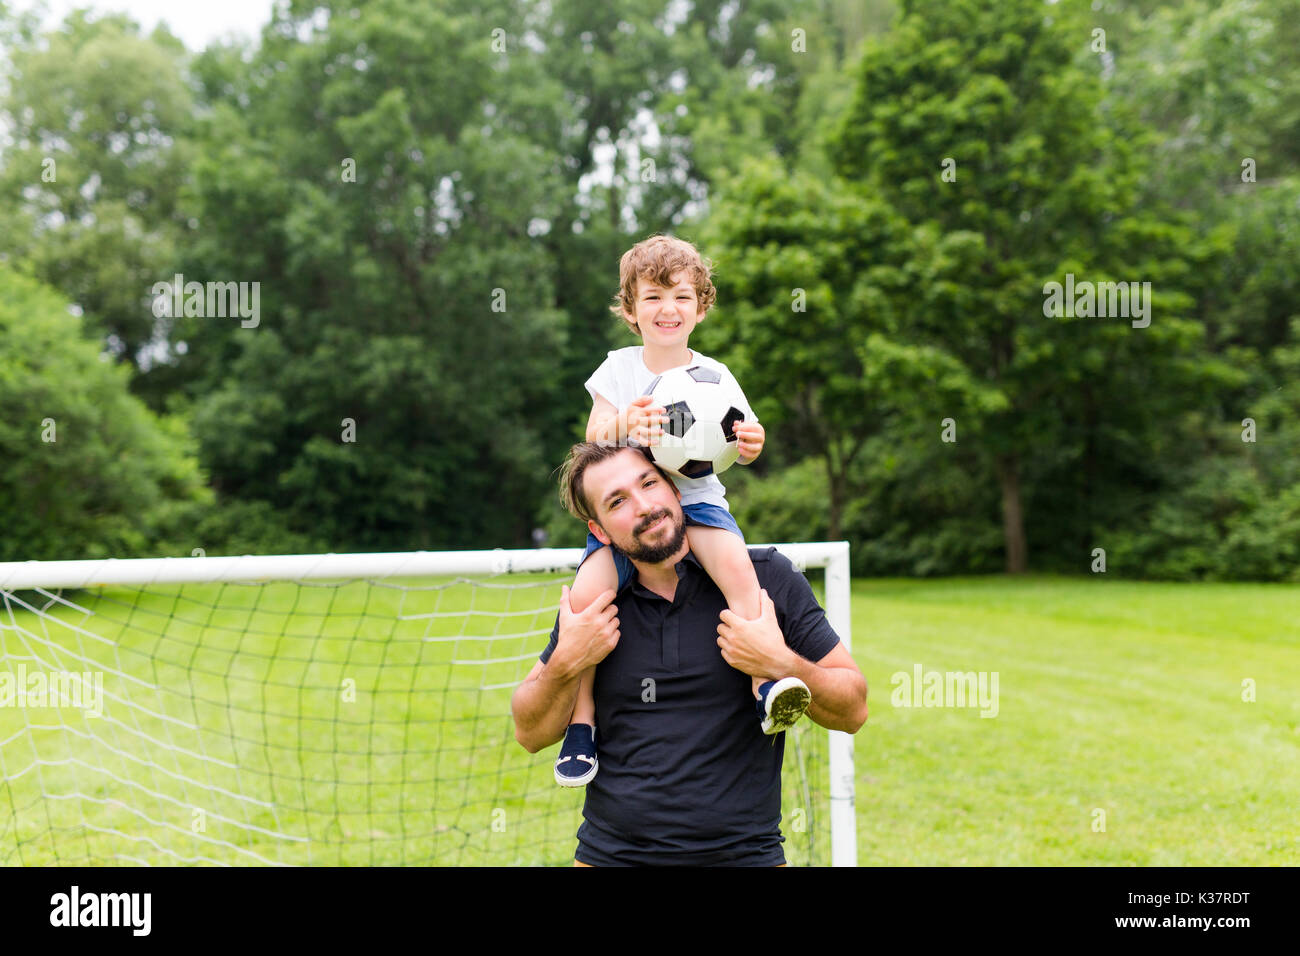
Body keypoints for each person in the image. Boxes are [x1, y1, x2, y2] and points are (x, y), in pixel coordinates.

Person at [511, 442, 869, 866]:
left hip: (746, 856)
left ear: (676, 490)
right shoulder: (596, 604)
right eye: (618, 501)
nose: (644, 506)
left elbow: (853, 710)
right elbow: (530, 733)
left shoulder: (764, 578)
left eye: (649, 483)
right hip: (611, 856)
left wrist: (781, 662)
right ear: (600, 531)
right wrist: (565, 663)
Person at [553, 234, 811, 788]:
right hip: (633, 519)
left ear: (701, 306)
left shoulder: (715, 373)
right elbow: (596, 431)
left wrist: (750, 443)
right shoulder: (617, 369)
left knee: (742, 578)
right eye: (651, 298)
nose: (667, 309)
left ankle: (765, 685)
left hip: (697, 504)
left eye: (681, 297)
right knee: (582, 602)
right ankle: (581, 724)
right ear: (629, 310)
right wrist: (628, 423)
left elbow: (738, 431)